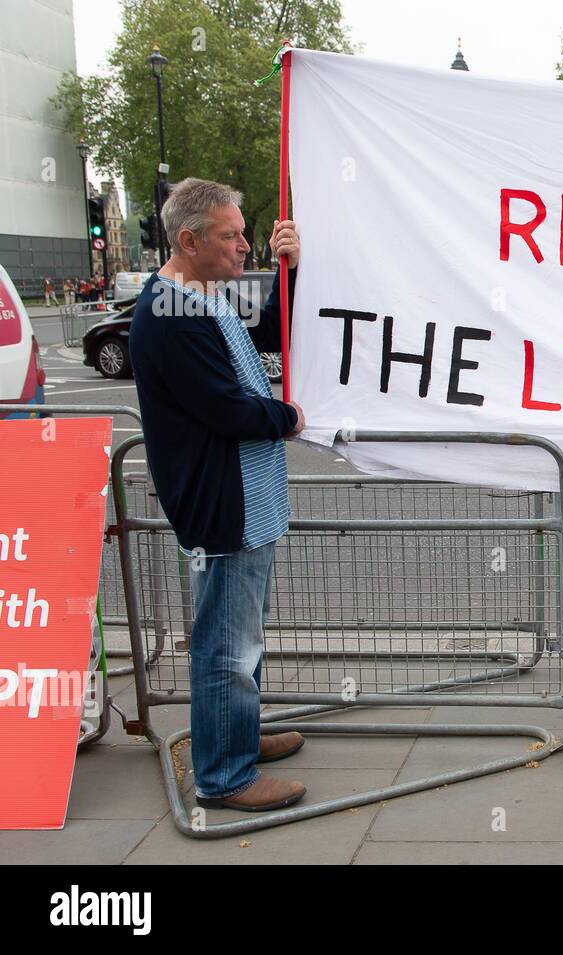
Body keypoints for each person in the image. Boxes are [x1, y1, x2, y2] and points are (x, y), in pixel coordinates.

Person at [130, 177, 308, 812]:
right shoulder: (167, 315)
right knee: (226, 645)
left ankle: (238, 737)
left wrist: (290, 270)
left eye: (243, 234)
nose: (243, 247)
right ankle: (225, 776)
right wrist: (286, 419)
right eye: (231, 237)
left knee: (240, 637)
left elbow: (267, 330)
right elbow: (226, 408)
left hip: (242, 498)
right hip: (221, 504)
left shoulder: (198, 297)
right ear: (188, 239)